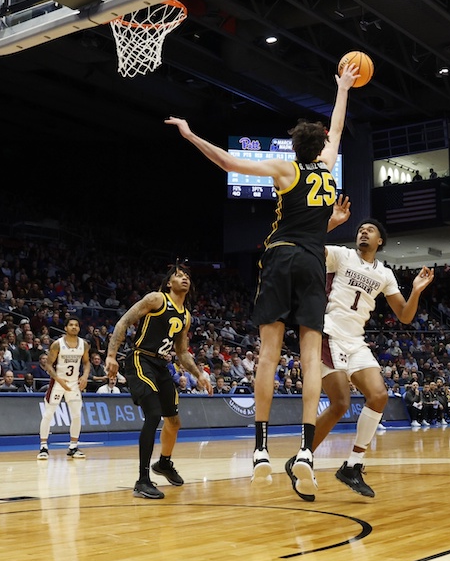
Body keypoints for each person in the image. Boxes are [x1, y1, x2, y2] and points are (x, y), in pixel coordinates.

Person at [165, 64, 353, 489]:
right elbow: (339, 128)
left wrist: (191, 136)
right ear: (322, 145)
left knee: (269, 354)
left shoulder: (286, 170)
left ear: (295, 146)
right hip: (313, 261)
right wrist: (343, 88)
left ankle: (261, 449)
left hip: (282, 256)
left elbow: (226, 160)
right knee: (310, 358)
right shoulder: (327, 168)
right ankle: (305, 450)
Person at [297, 210, 433, 500]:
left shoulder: (385, 274)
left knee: (379, 395)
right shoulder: (341, 255)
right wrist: (330, 223)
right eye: (361, 229)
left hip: (355, 341)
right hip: (329, 332)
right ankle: (303, 456)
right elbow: (309, 244)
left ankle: (353, 465)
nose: (363, 232)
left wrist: (416, 291)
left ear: (380, 241)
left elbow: (405, 316)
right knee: (340, 403)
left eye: (370, 230)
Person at [106, 264, 213, 499]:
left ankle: (164, 463)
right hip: (140, 358)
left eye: (187, 276)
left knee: (174, 421)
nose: (184, 278)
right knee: (153, 415)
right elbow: (123, 322)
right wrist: (111, 355)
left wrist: (199, 375)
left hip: (161, 365)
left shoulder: (186, 316)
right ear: (168, 283)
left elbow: (181, 352)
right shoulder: (156, 299)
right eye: (178, 275)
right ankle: (142, 481)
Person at [37, 317, 89, 460]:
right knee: (48, 414)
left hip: (74, 384)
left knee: (77, 415)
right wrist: (58, 379)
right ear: (65, 328)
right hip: (57, 383)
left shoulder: (83, 344)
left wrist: (85, 376)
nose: (74, 327)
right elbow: (48, 365)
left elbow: (86, 363)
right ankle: (43, 447)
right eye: (71, 325)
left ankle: (73, 447)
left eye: (76, 325)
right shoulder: (57, 344)